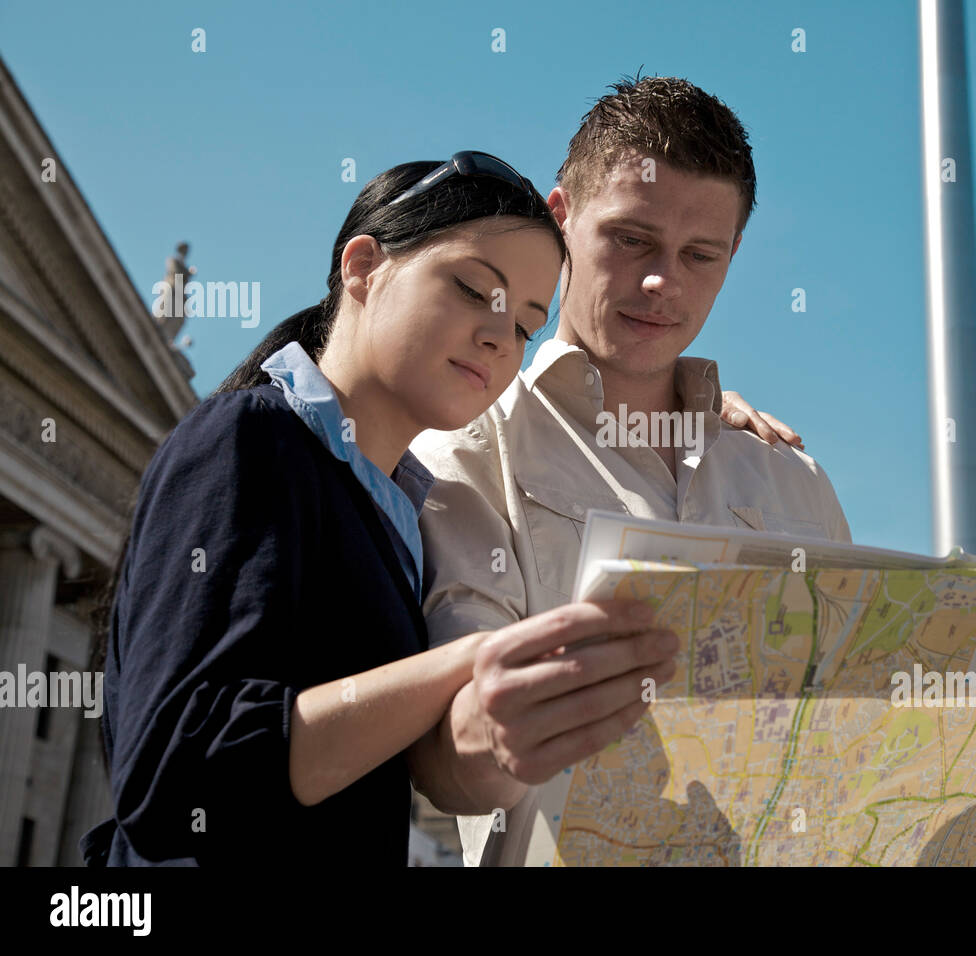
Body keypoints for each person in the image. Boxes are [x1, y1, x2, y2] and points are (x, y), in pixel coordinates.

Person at [79, 152, 677, 866]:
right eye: (471, 288)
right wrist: (470, 662)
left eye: (525, 325)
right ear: (362, 265)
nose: (499, 338)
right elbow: (176, 774)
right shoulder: (251, 438)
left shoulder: (402, 515)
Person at [408, 77, 853, 866]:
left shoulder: (791, 480)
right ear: (561, 218)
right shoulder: (463, 450)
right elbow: (458, 764)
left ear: (734, 255)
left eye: (700, 255)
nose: (663, 283)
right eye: (632, 240)